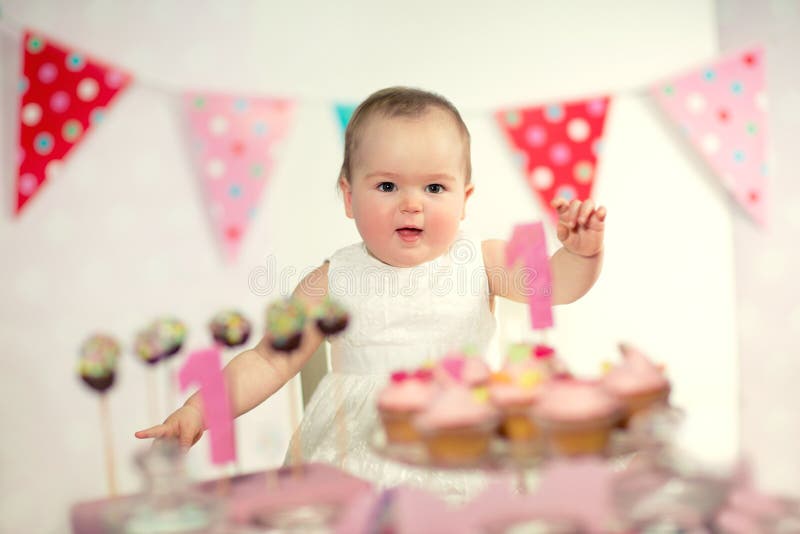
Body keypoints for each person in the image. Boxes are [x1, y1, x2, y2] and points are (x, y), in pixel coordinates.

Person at [136, 86, 607, 498]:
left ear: (465, 199)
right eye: (386, 184)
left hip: (463, 439)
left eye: (435, 187)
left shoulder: (483, 261)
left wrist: (581, 253)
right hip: (356, 450)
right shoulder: (330, 280)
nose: (411, 203)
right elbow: (268, 359)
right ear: (348, 197)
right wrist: (199, 411)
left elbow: (554, 286)